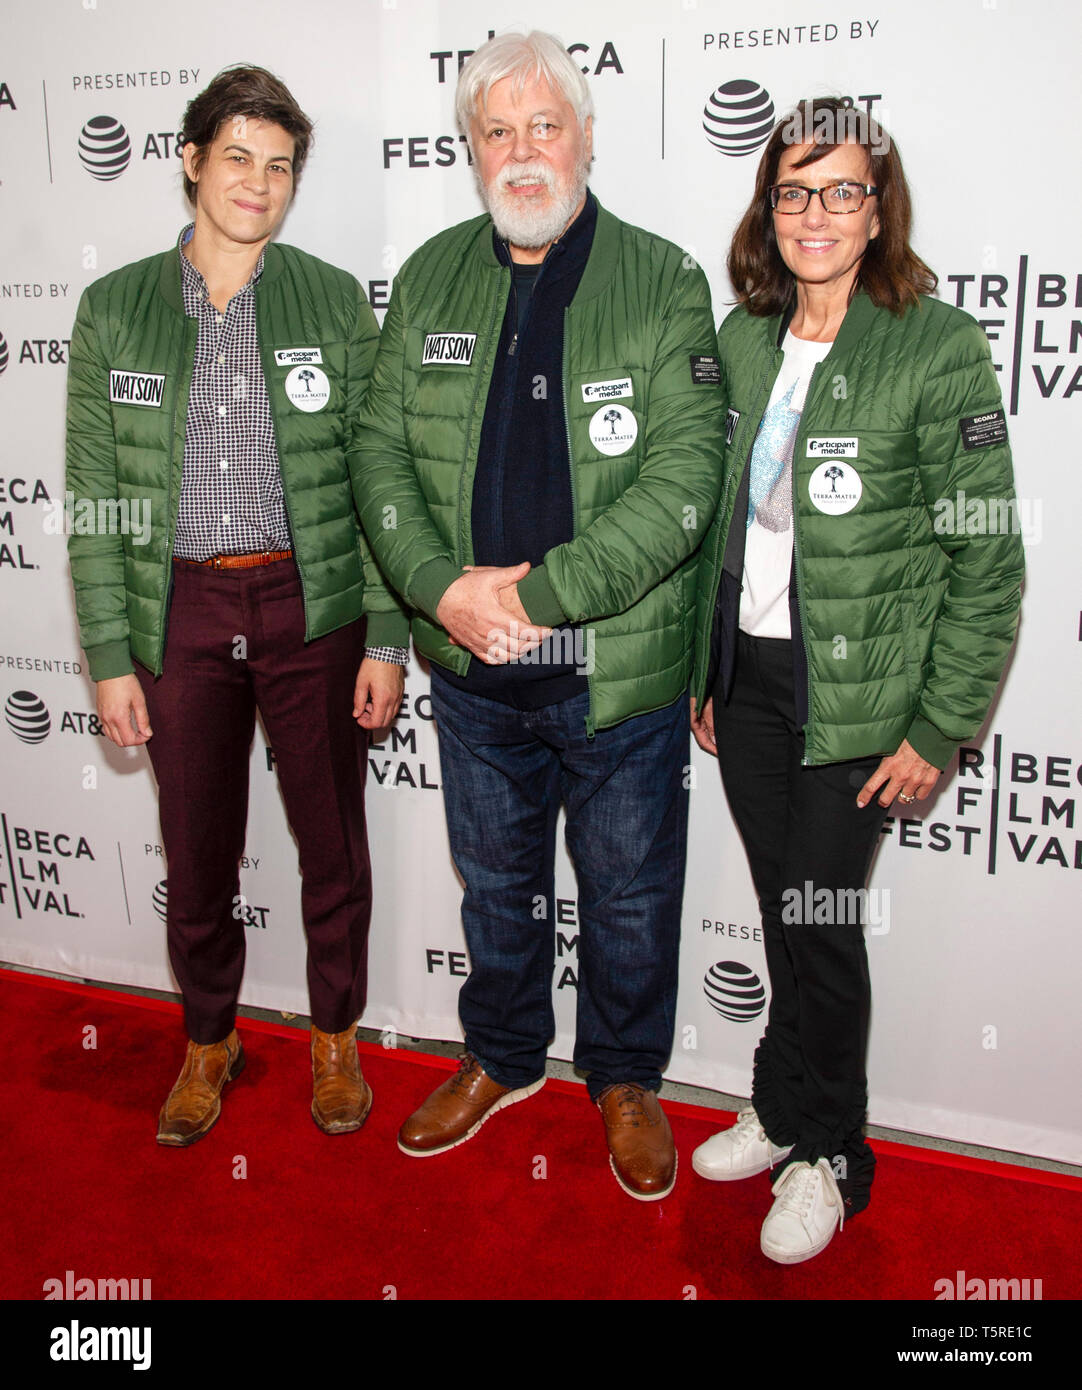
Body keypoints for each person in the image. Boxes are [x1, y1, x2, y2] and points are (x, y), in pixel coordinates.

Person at [352, 30, 725, 1200]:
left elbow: (682, 483)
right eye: (497, 132)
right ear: (470, 150)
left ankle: (622, 1078)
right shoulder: (428, 277)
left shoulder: (662, 280)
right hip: (470, 675)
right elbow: (373, 449)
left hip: (611, 676)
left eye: (543, 126)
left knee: (626, 895)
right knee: (494, 886)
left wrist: (538, 595)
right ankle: (501, 1055)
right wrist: (441, 589)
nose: (523, 153)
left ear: (585, 135)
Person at [689, 98, 1024, 1260]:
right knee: (787, 912)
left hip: (863, 697)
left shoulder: (930, 345)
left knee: (819, 920)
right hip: (751, 681)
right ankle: (783, 1104)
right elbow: (715, 531)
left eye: (840, 190)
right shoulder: (743, 339)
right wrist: (707, 669)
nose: (814, 212)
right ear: (766, 207)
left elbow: (986, 553)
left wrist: (938, 724)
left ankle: (833, 1150)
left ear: (876, 208)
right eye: (792, 189)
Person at [65, 65, 408, 1147]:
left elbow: (377, 477)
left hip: (314, 603)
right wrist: (111, 656)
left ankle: (336, 1032)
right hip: (179, 609)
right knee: (196, 845)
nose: (257, 184)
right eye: (238, 159)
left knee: (329, 840)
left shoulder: (330, 296)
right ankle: (209, 1038)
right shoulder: (114, 307)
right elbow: (93, 499)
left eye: (279, 166)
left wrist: (389, 634)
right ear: (190, 159)